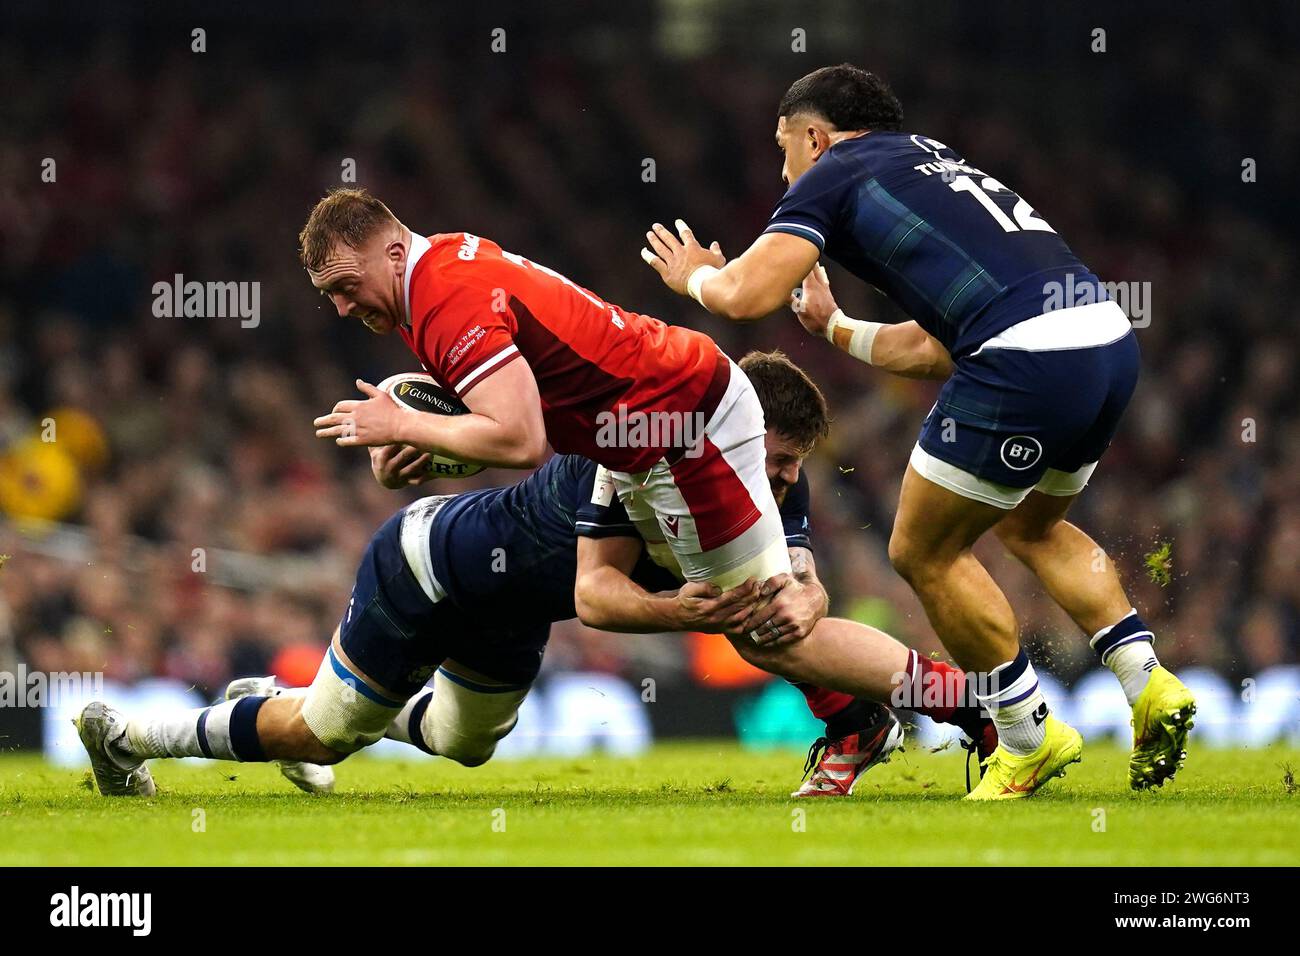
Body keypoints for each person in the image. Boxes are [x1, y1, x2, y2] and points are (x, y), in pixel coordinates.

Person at [74, 351, 993, 799]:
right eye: (777, 461)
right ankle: (129, 737)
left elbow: (804, 586)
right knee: (322, 736)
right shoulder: (631, 453)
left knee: (463, 744)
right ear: (732, 437)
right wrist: (695, 610)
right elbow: (597, 598)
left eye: (791, 467)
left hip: (508, 617)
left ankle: (289, 702)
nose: (785, 481)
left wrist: (804, 599)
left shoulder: (756, 484)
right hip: (431, 567)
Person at [640, 63, 1193, 799]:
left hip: (1027, 355)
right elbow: (939, 347)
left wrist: (697, 280)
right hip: (1105, 344)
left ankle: (1027, 736)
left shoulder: (836, 171)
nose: (784, 170)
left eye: (784, 149)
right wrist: (835, 328)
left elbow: (746, 294)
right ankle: (1146, 680)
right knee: (1033, 528)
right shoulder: (935, 167)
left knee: (922, 549)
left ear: (815, 136)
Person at [303, 189, 793, 640]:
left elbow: (520, 441)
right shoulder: (435, 268)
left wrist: (402, 425)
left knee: (764, 622)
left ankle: (860, 715)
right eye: (330, 295)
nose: (342, 308)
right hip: (636, 437)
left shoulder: (445, 299)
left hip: (682, 425)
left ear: (392, 256)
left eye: (347, 284)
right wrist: (417, 452)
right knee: (721, 609)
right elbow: (502, 397)